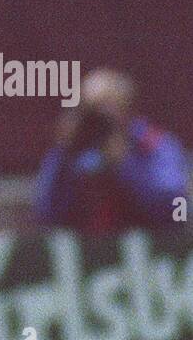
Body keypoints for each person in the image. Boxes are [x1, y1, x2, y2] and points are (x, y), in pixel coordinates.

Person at [36, 68, 189, 233]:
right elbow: (46, 211)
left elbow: (174, 208)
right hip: (89, 248)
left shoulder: (153, 144)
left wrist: (125, 165)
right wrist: (65, 156)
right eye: (91, 110)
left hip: (146, 248)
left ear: (128, 108)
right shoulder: (72, 151)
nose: (99, 118)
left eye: (107, 107)